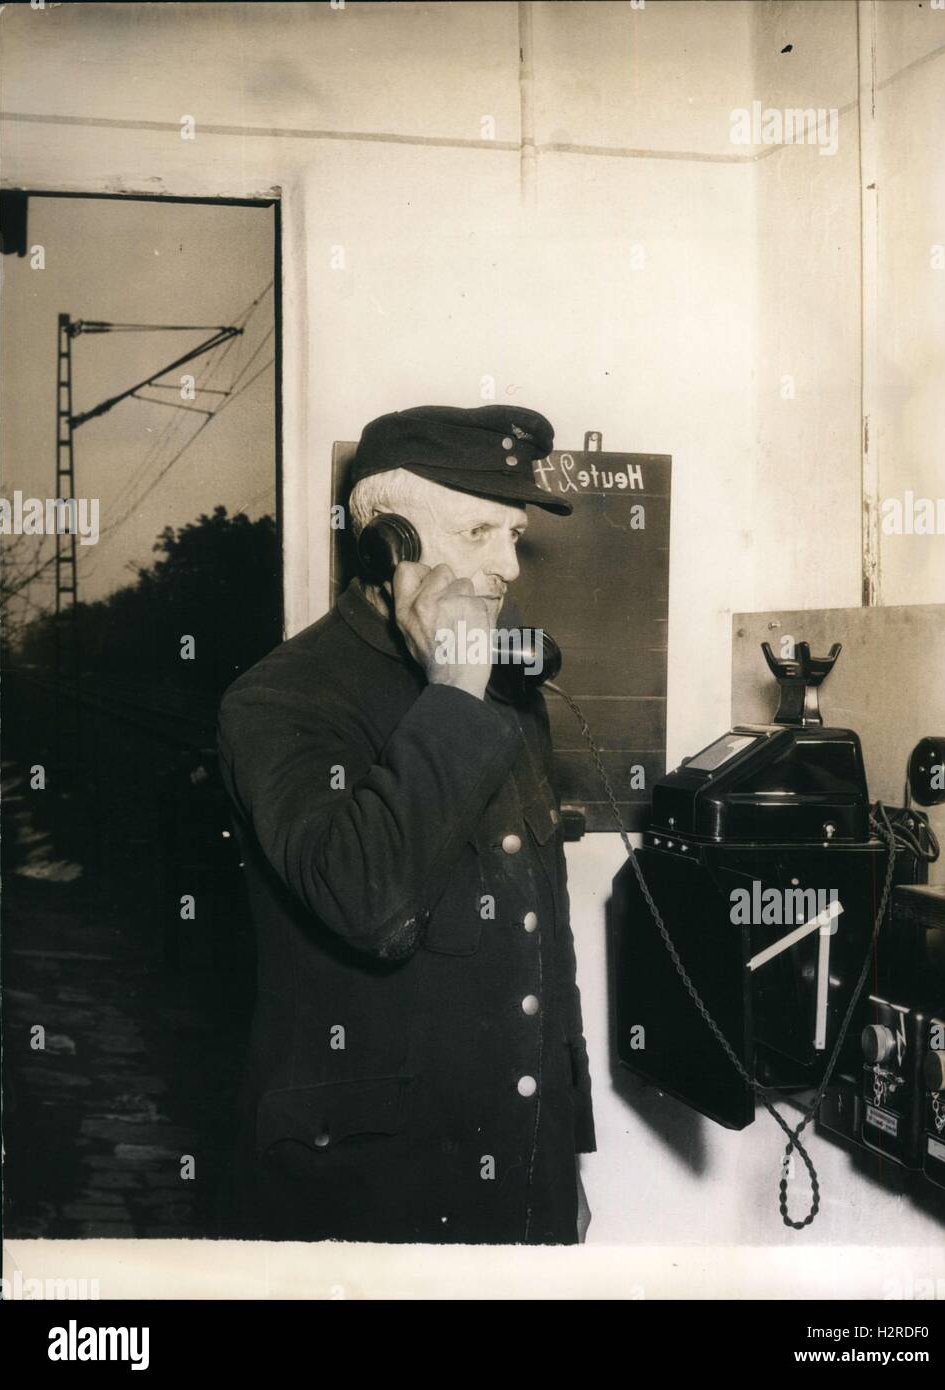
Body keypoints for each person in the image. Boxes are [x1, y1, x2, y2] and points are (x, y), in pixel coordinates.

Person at [216, 404, 595, 1244]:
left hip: (515, 1175)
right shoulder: (283, 699)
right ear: (388, 546)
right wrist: (453, 691)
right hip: (365, 1194)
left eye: (513, 535)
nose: (507, 567)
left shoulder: (506, 696)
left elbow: (540, 940)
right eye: (478, 532)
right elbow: (368, 904)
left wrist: (560, 1158)